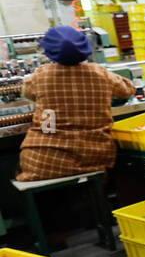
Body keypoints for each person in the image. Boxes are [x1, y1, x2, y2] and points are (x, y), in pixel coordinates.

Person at [17, 26, 135, 182]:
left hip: (43, 161)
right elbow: (128, 89)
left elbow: (27, 93)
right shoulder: (100, 73)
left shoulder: (41, 75)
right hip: (93, 158)